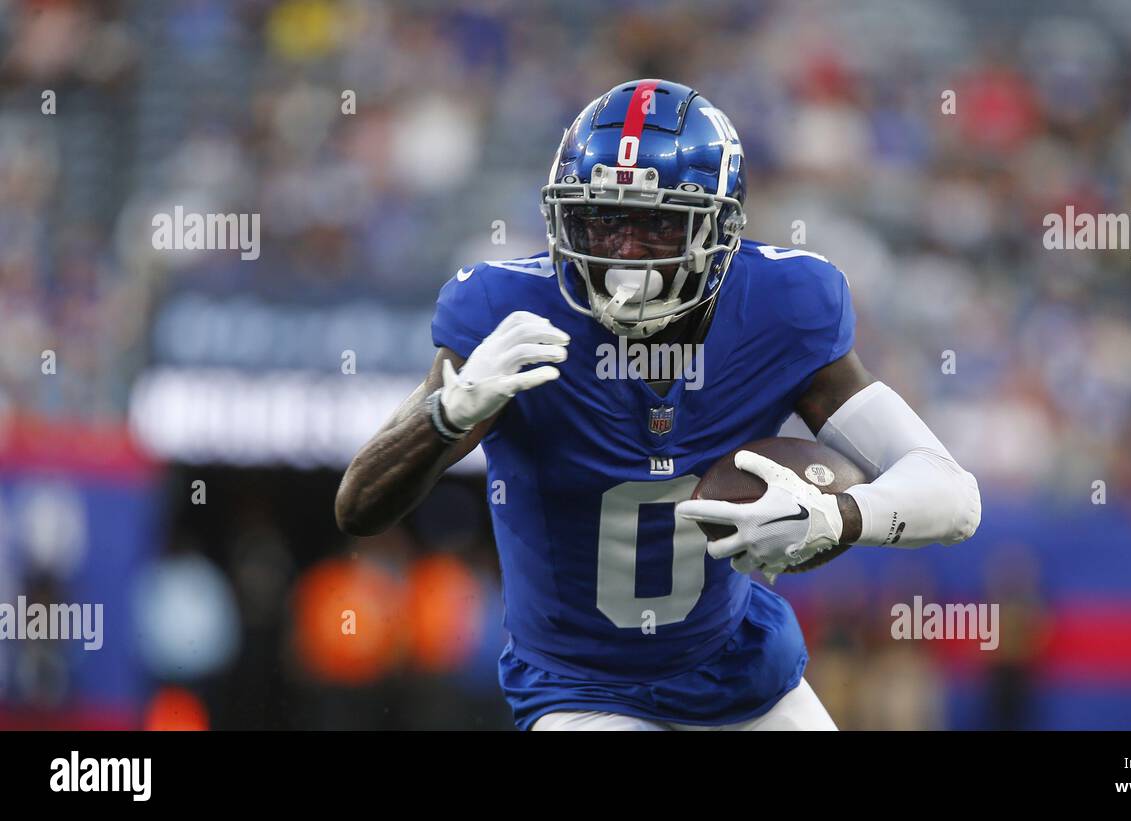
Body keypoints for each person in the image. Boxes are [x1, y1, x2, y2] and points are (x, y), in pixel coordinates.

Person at [335, 79, 981, 730]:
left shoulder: (782, 306)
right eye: (605, 219)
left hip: (740, 672)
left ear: (720, 227)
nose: (624, 253)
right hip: (581, 689)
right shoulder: (508, 315)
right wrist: (445, 413)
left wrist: (839, 517)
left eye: (658, 224)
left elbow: (954, 496)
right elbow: (358, 506)